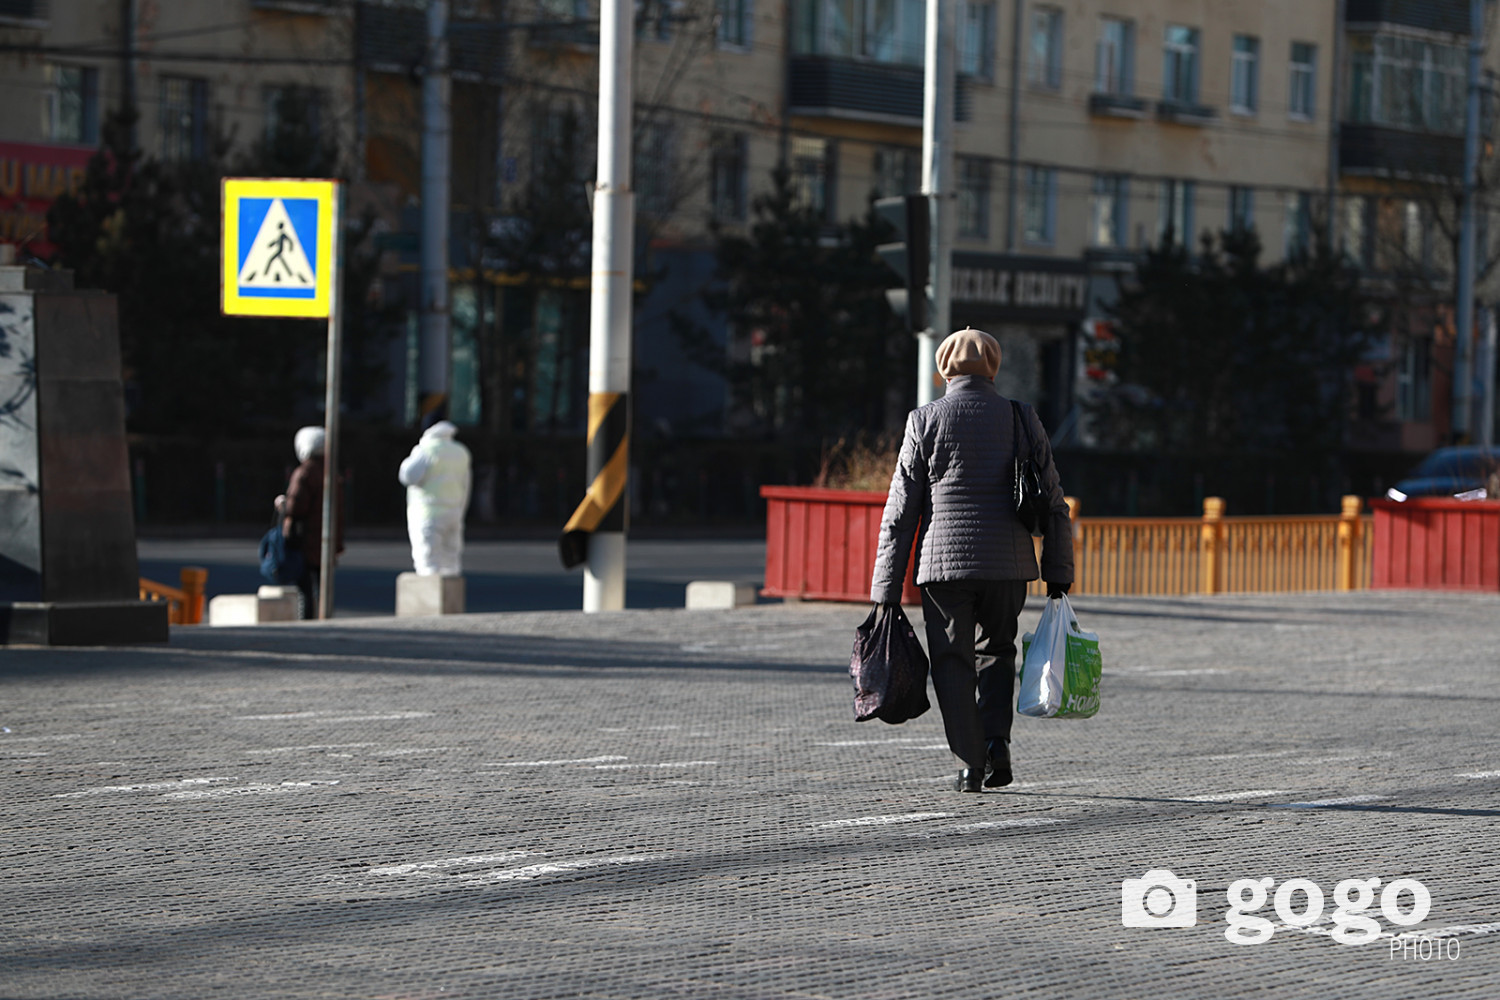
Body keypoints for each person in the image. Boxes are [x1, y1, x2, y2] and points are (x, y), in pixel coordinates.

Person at [870, 328, 1074, 794]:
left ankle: (970, 762)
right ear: (993, 368)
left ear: (944, 369)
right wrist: (1058, 575)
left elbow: (900, 513)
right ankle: (997, 741)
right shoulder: (1022, 418)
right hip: (1008, 565)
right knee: (997, 653)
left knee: (951, 662)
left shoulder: (925, 421)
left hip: (945, 568)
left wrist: (885, 590)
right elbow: (1056, 502)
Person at [283, 426, 344, 619]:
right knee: (322, 585)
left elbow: (296, 507)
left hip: (304, 539)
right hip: (325, 539)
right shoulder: (333, 472)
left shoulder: (305, 473)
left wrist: (283, 506)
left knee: (305, 589)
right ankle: (324, 619)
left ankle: (307, 623)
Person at [398, 419, 472, 576]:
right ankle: (449, 597)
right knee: (450, 562)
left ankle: (429, 598)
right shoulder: (461, 452)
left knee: (427, 561)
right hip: (453, 512)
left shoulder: (426, 450)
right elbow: (466, 484)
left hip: (427, 512)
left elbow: (408, 476)